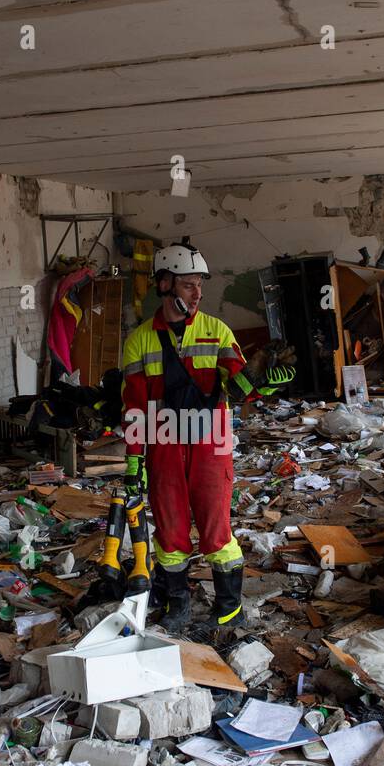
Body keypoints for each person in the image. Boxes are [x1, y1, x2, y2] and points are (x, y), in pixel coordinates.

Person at [120, 242, 294, 638]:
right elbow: (134, 409)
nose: (198, 293)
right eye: (188, 285)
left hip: (210, 443)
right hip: (163, 445)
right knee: (170, 532)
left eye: (200, 285)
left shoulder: (217, 331)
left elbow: (238, 387)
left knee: (217, 533)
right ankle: (178, 604)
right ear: (164, 285)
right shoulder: (139, 341)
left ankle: (229, 609)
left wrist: (265, 382)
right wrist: (133, 466)